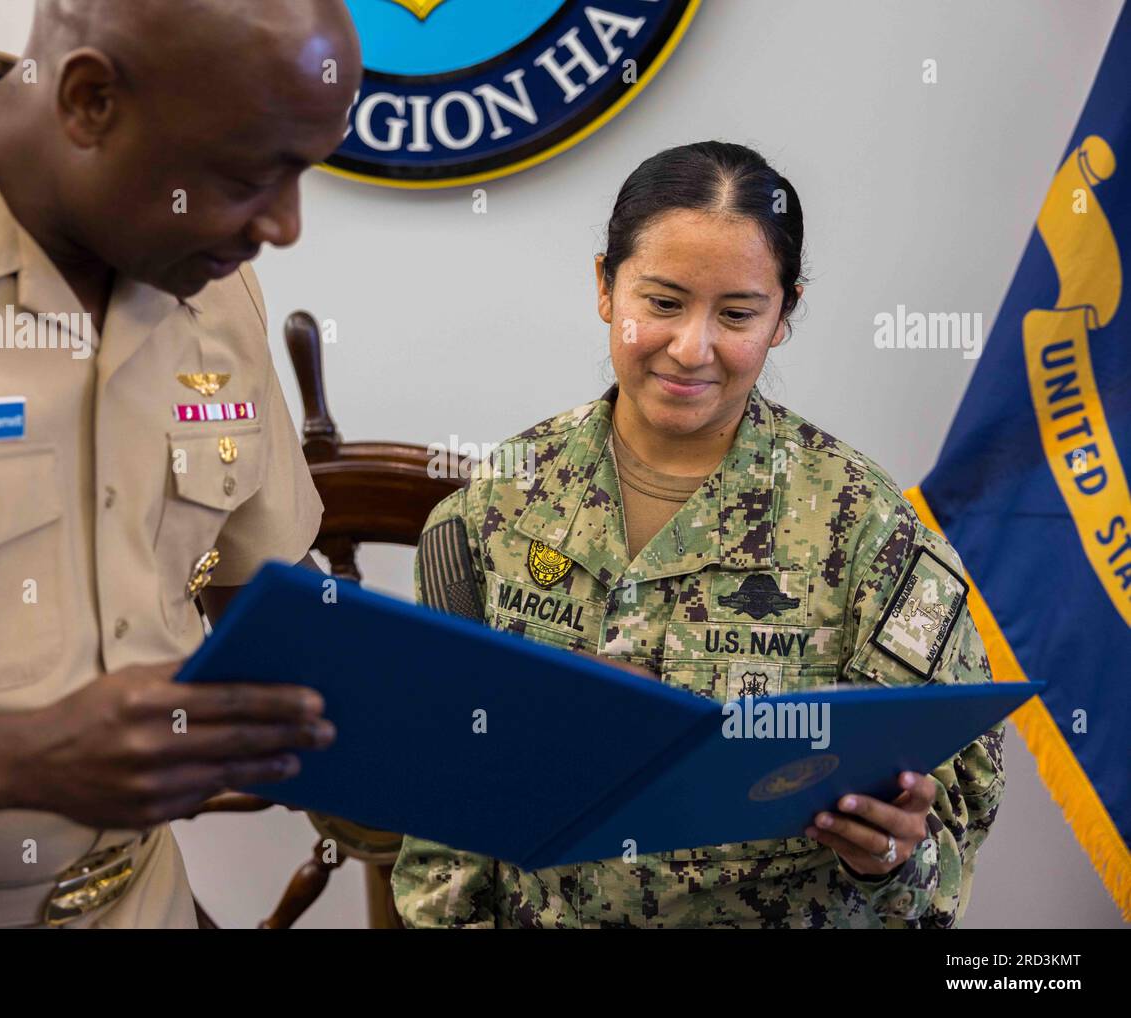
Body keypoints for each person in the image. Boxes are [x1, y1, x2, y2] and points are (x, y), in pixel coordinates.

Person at [0, 0, 361, 928]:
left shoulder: (204, 268)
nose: (285, 225)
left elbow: (264, 596)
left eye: (305, 173)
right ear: (88, 101)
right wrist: (18, 759)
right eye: (250, 173)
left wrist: (513, 729)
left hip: (143, 902)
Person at [392, 141, 1005, 929]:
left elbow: (951, 828)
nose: (692, 347)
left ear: (784, 315)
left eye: (738, 314)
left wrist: (889, 855)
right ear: (606, 288)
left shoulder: (867, 530)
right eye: (663, 302)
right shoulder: (494, 509)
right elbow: (444, 809)